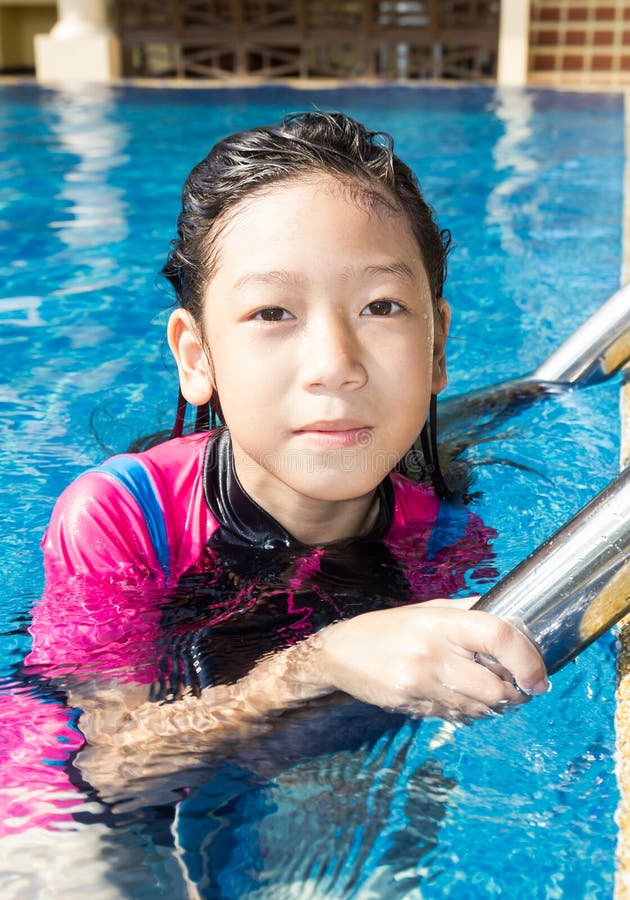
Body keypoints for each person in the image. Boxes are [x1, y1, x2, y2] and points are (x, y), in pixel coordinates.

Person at [24, 111, 548, 805]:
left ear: (439, 347)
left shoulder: (443, 536)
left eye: (381, 306)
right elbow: (109, 768)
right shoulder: (122, 517)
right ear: (196, 355)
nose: (334, 366)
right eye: (273, 313)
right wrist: (318, 662)